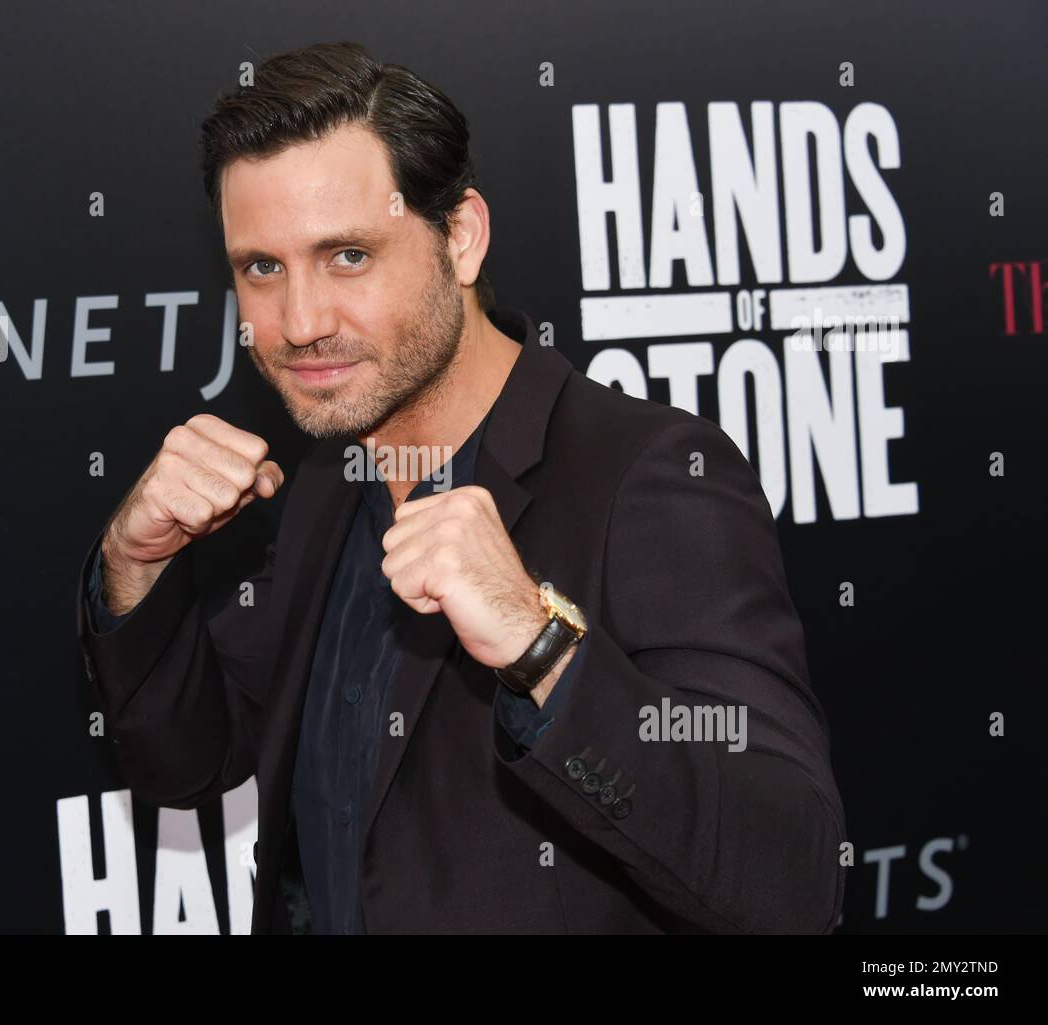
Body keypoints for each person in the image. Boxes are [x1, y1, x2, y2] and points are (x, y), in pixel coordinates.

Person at [75, 41, 846, 934]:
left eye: (349, 255)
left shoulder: (648, 477)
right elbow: (188, 763)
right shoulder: (328, 482)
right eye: (262, 268)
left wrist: (540, 646)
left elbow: (792, 880)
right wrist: (132, 563)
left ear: (462, 236)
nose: (301, 321)